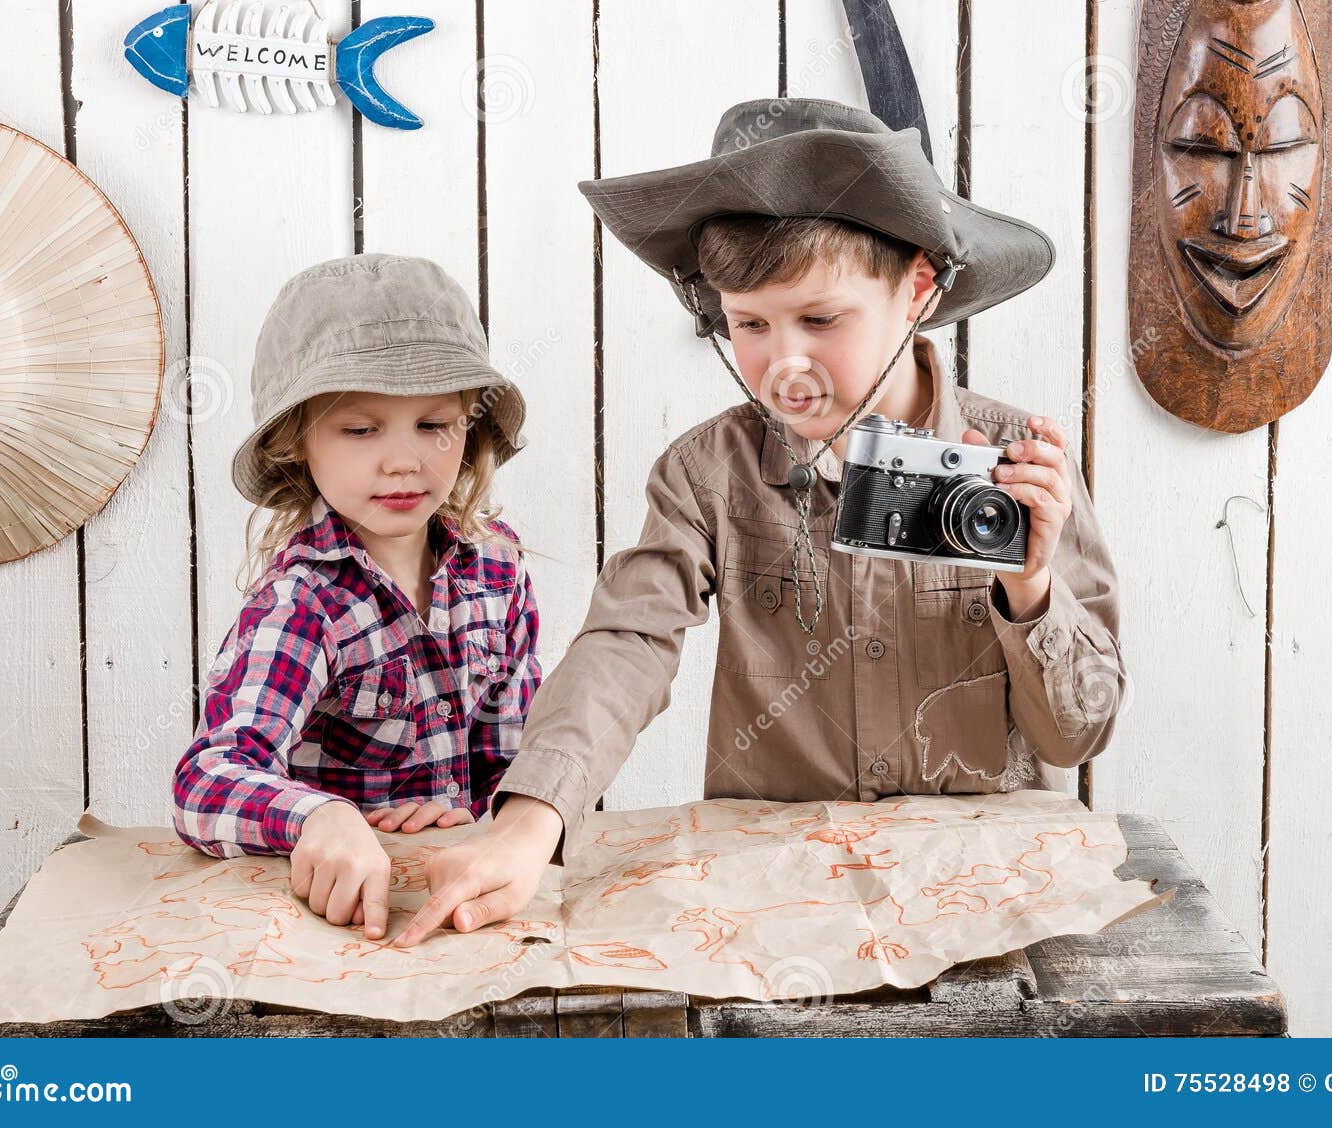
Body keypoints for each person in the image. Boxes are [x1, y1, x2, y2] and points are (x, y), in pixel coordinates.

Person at [390, 97, 1126, 949]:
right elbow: (629, 641)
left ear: (918, 290)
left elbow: (1076, 736)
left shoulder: (1017, 470)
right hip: (786, 908)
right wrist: (529, 823)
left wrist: (1030, 588)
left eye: (821, 319)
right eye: (749, 324)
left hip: (986, 904)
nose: (785, 363)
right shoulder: (708, 474)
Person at [173, 254, 541, 942]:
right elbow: (208, 778)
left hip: (459, 907)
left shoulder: (497, 570)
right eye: (361, 429)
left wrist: (482, 815)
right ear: (296, 442)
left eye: (433, 424)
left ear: (469, 426)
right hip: (336, 925)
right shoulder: (303, 602)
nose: (404, 461)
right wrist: (321, 816)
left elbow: (514, 759)